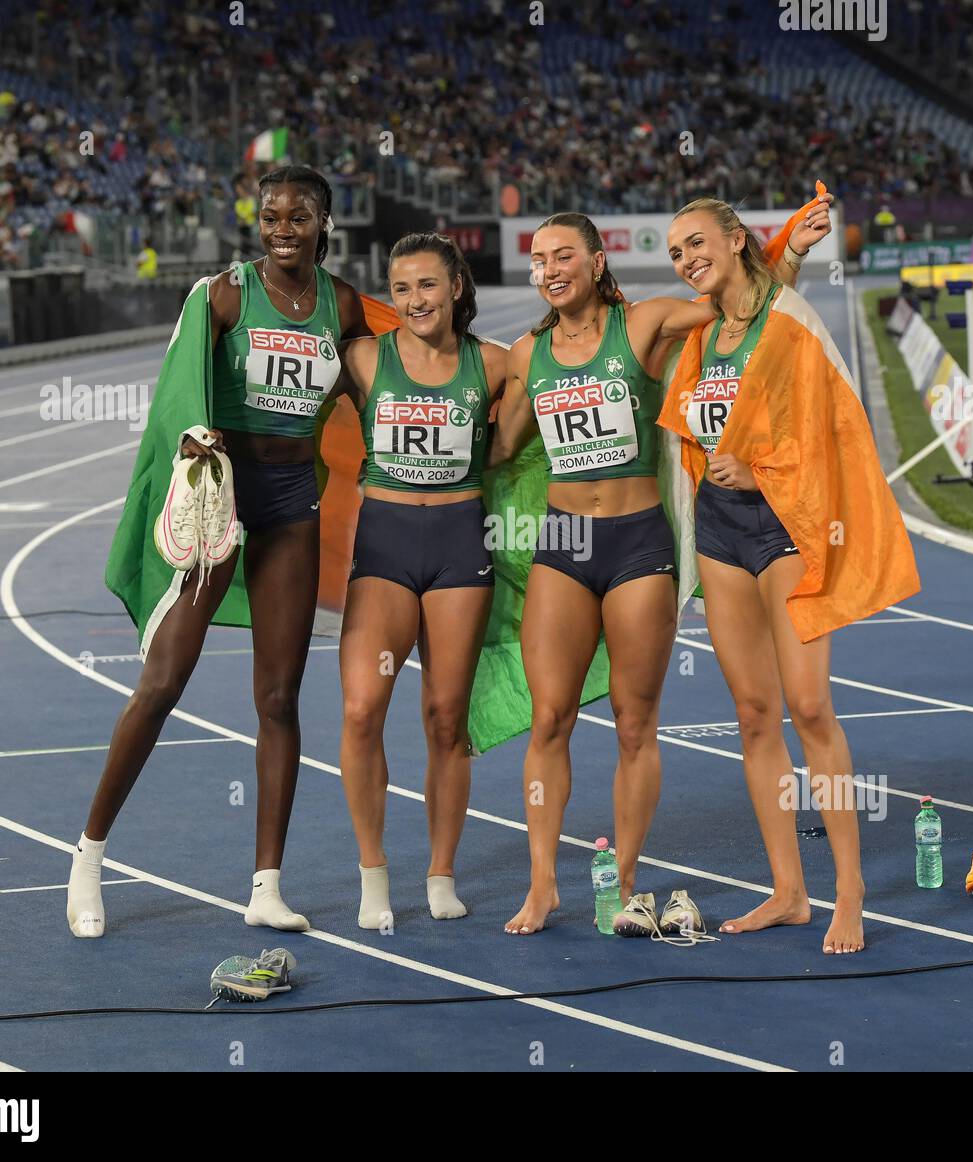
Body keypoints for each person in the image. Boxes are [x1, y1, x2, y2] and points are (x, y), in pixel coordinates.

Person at [489, 202, 831, 936]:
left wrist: (788, 253)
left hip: (637, 542)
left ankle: (626, 878)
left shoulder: (642, 326)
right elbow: (496, 448)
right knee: (549, 717)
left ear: (596, 263)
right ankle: (543, 884)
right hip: (564, 543)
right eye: (539, 263)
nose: (548, 272)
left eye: (563, 258)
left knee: (634, 721)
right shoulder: (525, 355)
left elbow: (736, 307)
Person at [67, 165, 374, 937]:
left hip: (293, 506)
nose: (281, 228)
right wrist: (199, 445)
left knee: (278, 697)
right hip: (223, 503)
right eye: (270, 216)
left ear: (324, 224)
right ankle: (88, 856)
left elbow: (390, 390)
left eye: (298, 217)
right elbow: (180, 387)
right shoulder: (224, 294)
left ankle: (266, 885)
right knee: (166, 678)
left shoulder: (340, 306)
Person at [660, 196, 919, 954]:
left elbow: (829, 429)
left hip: (787, 527)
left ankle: (849, 889)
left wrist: (762, 466)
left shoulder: (793, 321)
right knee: (751, 714)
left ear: (737, 241)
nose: (685, 260)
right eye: (676, 251)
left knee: (809, 707)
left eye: (698, 244)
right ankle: (788, 890)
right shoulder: (702, 333)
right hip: (718, 531)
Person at [332, 233, 508, 927]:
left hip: (460, 547)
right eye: (401, 289)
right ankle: (374, 874)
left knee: (444, 717)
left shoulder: (493, 365)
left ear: (457, 287)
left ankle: (441, 871)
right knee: (360, 707)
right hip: (386, 547)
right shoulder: (365, 358)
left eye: (428, 286)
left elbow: (530, 428)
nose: (414, 301)